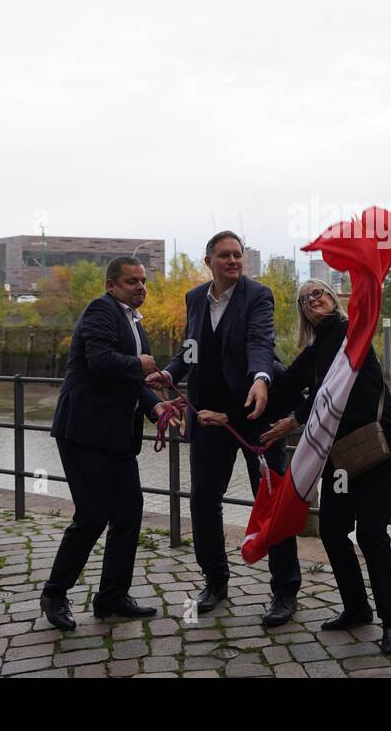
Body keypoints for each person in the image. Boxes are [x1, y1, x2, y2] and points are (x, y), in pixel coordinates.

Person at [146, 231, 302, 627]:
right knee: (203, 501)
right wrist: (169, 372)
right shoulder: (196, 297)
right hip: (208, 416)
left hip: (254, 410)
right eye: (225, 256)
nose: (234, 261)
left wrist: (261, 378)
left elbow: (259, 343)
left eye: (238, 255)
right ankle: (215, 582)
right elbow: (191, 348)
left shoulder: (258, 295)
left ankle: (284, 590)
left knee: (271, 499)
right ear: (208, 260)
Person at [261, 279, 391, 654]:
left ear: (333, 298)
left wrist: (295, 418)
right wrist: (240, 404)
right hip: (342, 456)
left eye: (320, 292)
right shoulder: (315, 349)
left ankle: (390, 622)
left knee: (372, 534)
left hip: (377, 448)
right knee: (332, 530)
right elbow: (287, 386)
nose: (314, 299)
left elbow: (334, 392)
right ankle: (357, 608)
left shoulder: (350, 333)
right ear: (303, 312)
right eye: (306, 298)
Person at [39, 255, 176, 631]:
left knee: (129, 514)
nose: (140, 287)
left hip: (117, 437)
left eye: (143, 281)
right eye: (131, 281)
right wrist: (142, 365)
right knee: (92, 515)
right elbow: (100, 361)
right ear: (111, 285)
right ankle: (54, 592)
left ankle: (112, 596)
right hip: (84, 433)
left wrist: (156, 406)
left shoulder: (134, 323)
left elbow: (133, 382)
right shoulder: (101, 310)